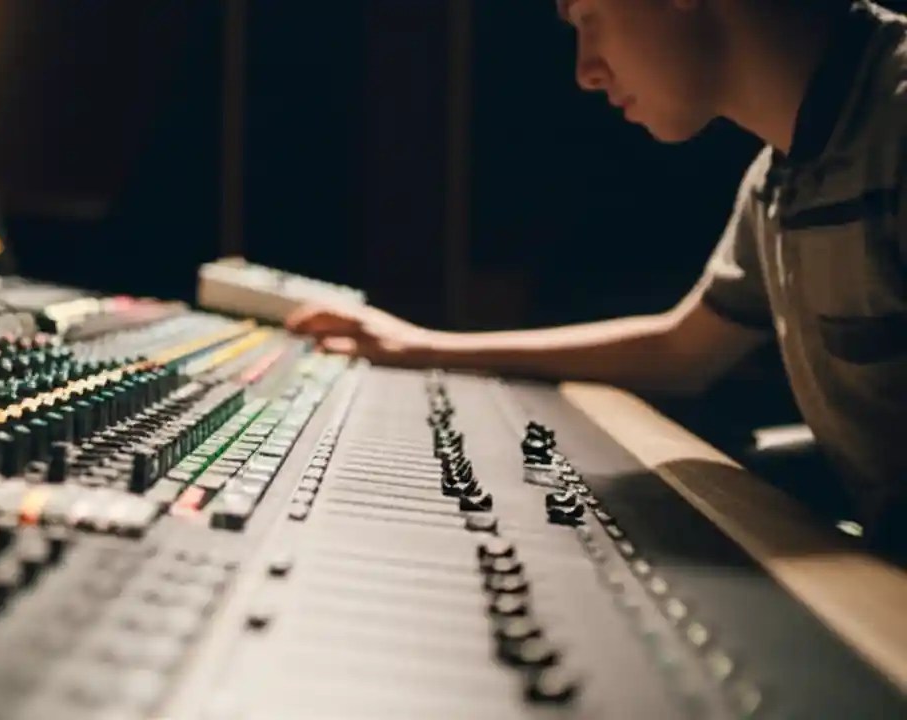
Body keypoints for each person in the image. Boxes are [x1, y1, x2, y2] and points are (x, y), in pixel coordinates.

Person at [286, 0, 907, 544]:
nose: (586, 72)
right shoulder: (777, 179)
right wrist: (423, 346)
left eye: (588, 17)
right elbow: (680, 350)